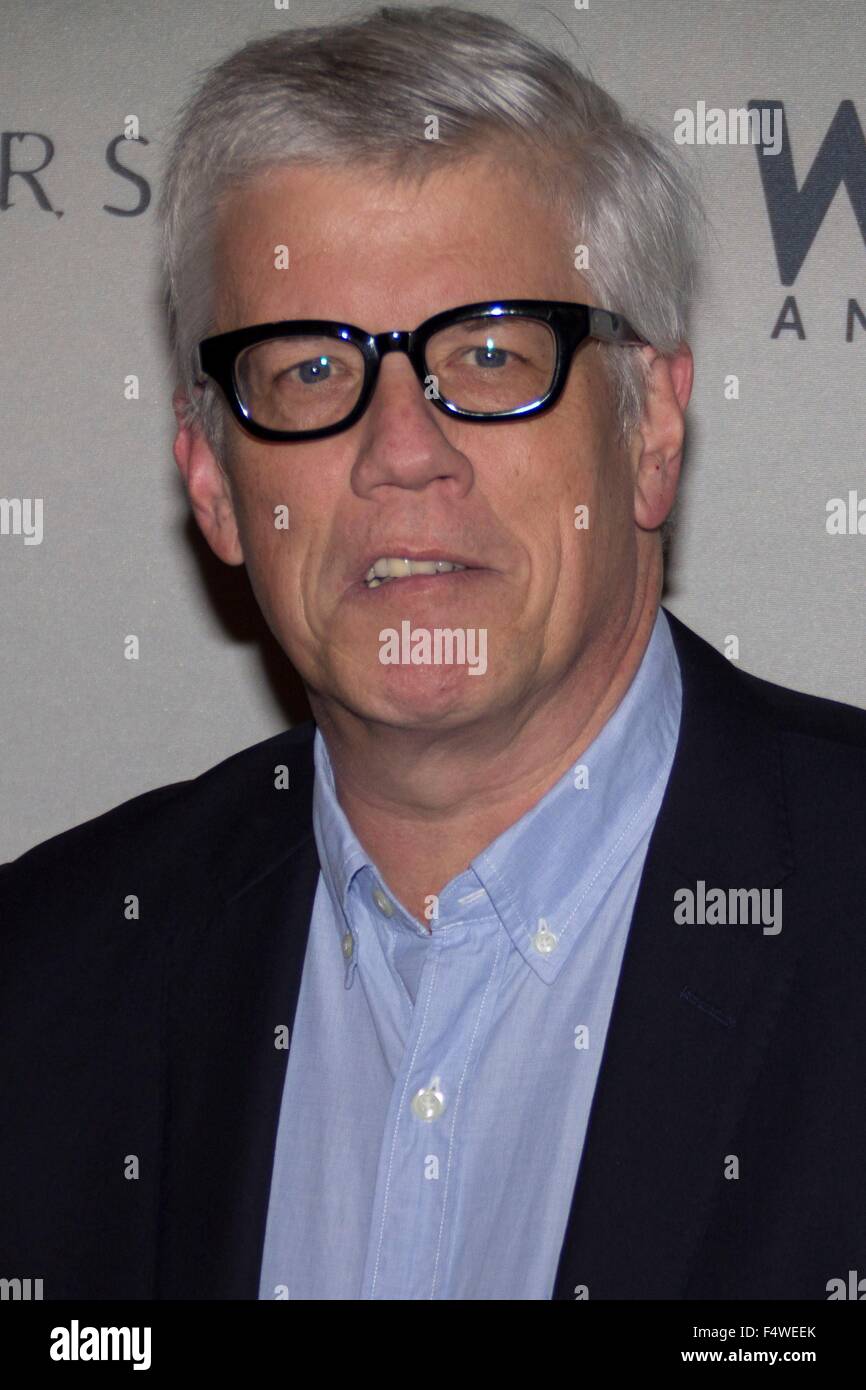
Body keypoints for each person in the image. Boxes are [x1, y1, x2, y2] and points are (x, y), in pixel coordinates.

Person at [2, 5, 865, 1302]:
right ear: (215, 483)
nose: (403, 449)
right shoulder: (43, 979)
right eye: (305, 370)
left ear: (649, 430)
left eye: (489, 353)